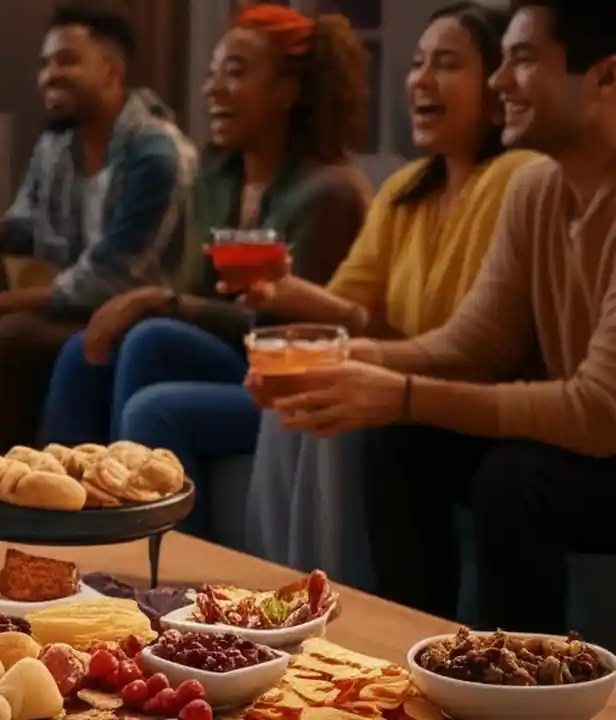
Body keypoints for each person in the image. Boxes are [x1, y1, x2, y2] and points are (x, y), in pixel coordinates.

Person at [252, 0, 616, 633]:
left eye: (523, 60)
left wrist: (404, 393)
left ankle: (515, 688)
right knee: (400, 440)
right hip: (586, 446)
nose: (502, 83)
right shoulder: (539, 192)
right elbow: (472, 344)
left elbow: (599, 412)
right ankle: (412, 649)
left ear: (606, 77)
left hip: (601, 443)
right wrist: (340, 362)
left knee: (512, 479)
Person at [38, 3, 371, 523]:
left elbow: (286, 326)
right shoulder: (219, 181)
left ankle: (140, 539)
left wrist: (163, 302)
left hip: (281, 371)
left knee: (152, 337)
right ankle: (59, 522)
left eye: (235, 73)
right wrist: (168, 303)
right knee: (83, 352)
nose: (211, 89)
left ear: (288, 91)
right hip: (226, 354)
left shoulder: (329, 192)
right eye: (211, 73)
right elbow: (200, 293)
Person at [0, 0, 197, 452]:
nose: (48, 75)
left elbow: (108, 281)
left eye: (67, 61)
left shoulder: (156, 155)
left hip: (133, 312)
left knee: (18, 336)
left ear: (112, 71)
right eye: (45, 63)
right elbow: (26, 231)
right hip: (67, 293)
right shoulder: (57, 144)